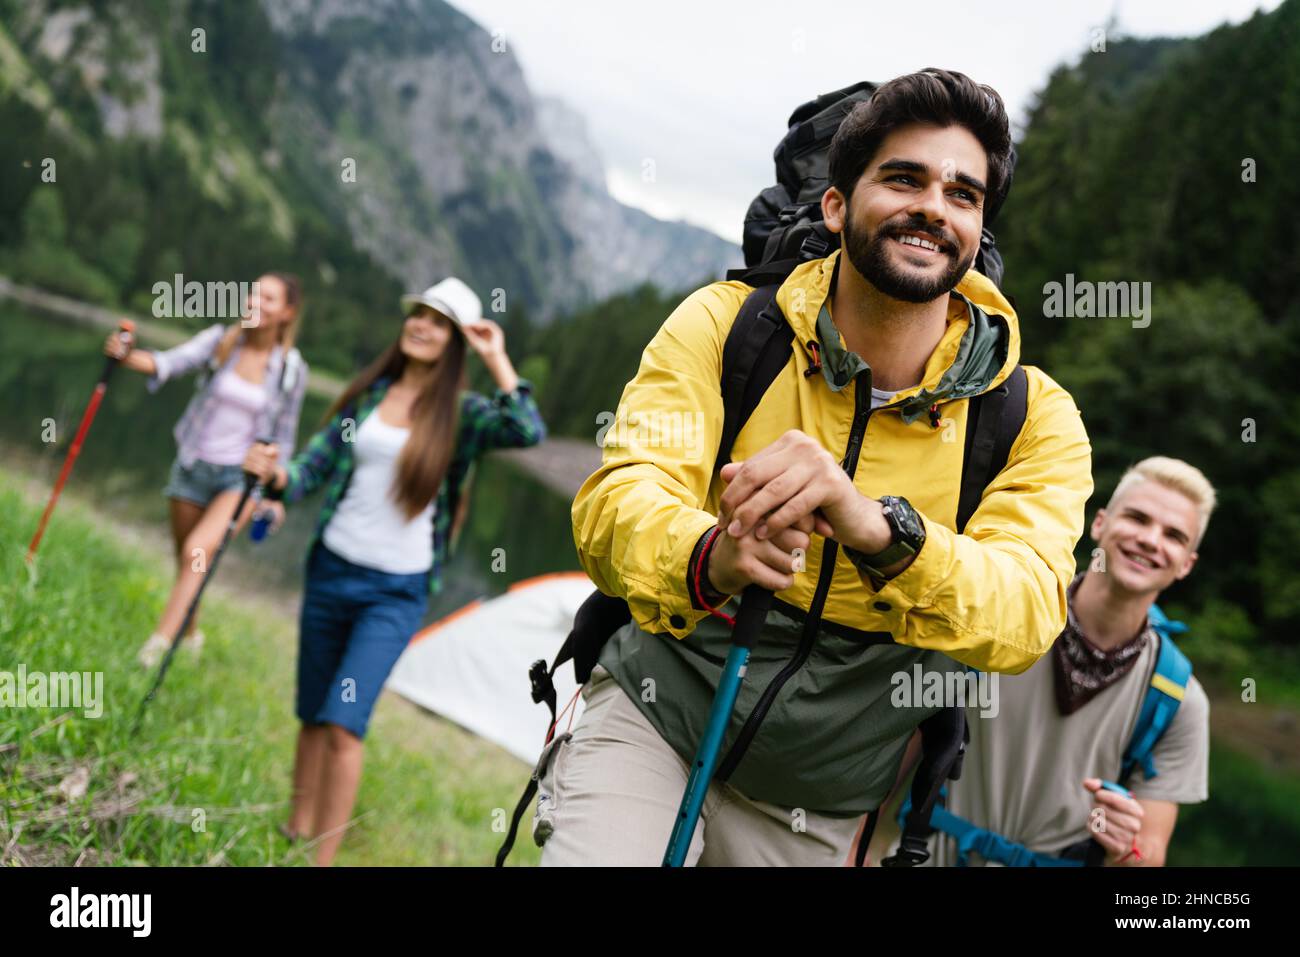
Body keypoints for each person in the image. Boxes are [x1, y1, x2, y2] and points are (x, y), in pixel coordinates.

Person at [543, 69, 1093, 866]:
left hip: (823, 796)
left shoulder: (1031, 416)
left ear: (977, 233)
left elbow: (1026, 611)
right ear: (836, 205)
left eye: (962, 194)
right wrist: (712, 554)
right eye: (903, 178)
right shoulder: (727, 325)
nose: (933, 206)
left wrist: (883, 530)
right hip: (657, 716)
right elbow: (617, 501)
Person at [242, 277, 545, 866]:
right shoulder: (368, 398)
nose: (421, 325)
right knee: (310, 711)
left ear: (455, 338)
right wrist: (278, 479)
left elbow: (526, 429)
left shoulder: (461, 417)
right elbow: (314, 467)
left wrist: (496, 357)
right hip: (331, 569)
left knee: (342, 722)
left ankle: (321, 860)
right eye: (417, 314)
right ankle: (292, 828)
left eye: (437, 320)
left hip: (394, 592)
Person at [870, 456, 1213, 867]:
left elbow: (1149, 854)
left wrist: (1126, 847)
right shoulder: (1001, 614)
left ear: (1187, 564)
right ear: (1099, 523)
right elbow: (888, 761)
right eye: (1138, 519)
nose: (1151, 540)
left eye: (1174, 536)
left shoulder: (1178, 699)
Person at [103, 273, 307, 666]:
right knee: (189, 559)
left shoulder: (292, 371)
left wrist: (277, 494)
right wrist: (126, 356)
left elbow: (286, 437)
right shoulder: (221, 341)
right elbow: (168, 363)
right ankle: (192, 633)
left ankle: (156, 649)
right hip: (194, 463)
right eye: (253, 293)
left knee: (198, 550)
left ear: (287, 311)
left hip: (240, 480)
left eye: (268, 298)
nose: (255, 302)